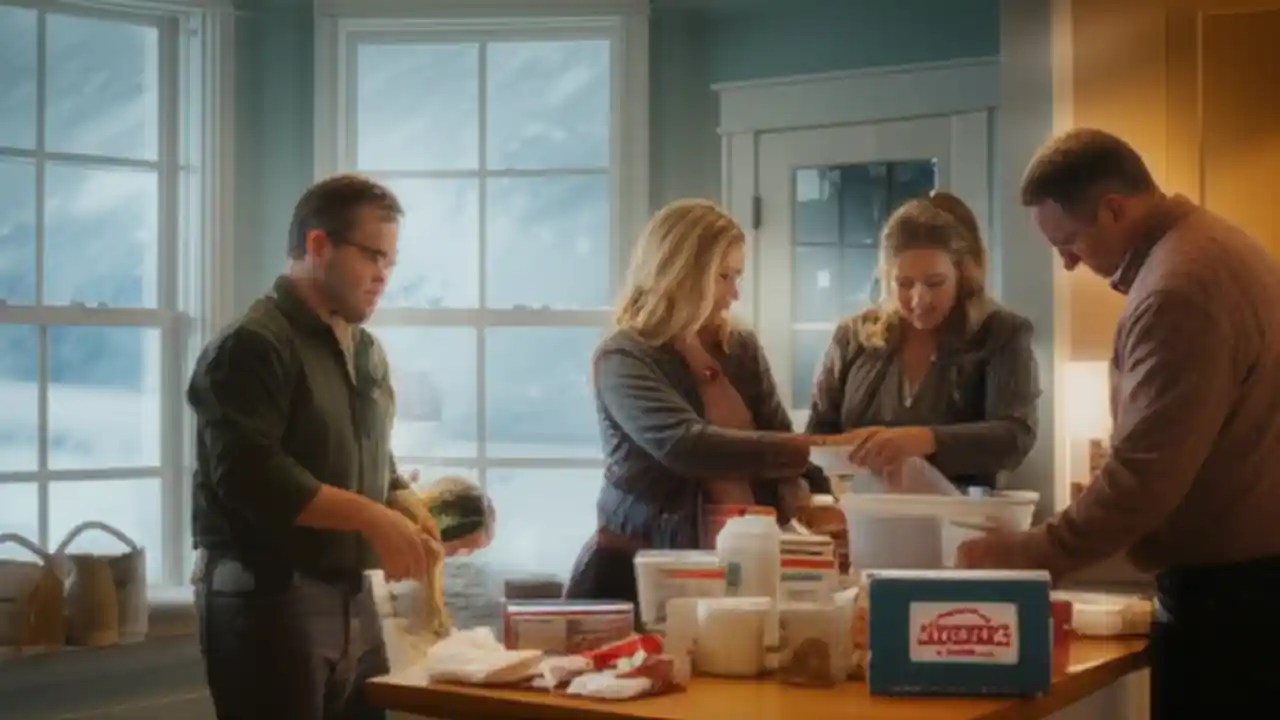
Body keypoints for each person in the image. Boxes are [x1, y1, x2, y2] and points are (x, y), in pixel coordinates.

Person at [955, 128, 1280, 718]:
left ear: (1113, 209)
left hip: (1238, 601)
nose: (1069, 262)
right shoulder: (1219, 248)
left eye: (1070, 241)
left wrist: (1031, 552)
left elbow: (1145, 477)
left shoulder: (1178, 289)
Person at [188, 174, 442, 720]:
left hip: (356, 599)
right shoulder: (250, 346)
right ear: (317, 244)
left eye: (390, 263)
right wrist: (375, 520)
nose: (383, 277)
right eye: (373, 256)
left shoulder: (367, 350)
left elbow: (369, 454)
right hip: (269, 601)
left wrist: (407, 504)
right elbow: (254, 478)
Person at [565, 198, 844, 603]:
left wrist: (825, 500)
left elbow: (776, 433)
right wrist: (812, 449)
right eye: (723, 276)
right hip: (640, 569)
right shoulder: (624, 358)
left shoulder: (739, 347)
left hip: (742, 561)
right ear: (681, 273)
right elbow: (684, 445)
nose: (734, 292)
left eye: (737, 275)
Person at [806, 194, 1040, 490]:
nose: (919, 300)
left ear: (962, 275)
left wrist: (923, 440)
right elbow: (817, 434)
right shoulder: (851, 337)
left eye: (934, 283)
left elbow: (1015, 436)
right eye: (904, 284)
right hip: (860, 518)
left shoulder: (1001, 333)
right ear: (885, 277)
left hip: (961, 523)